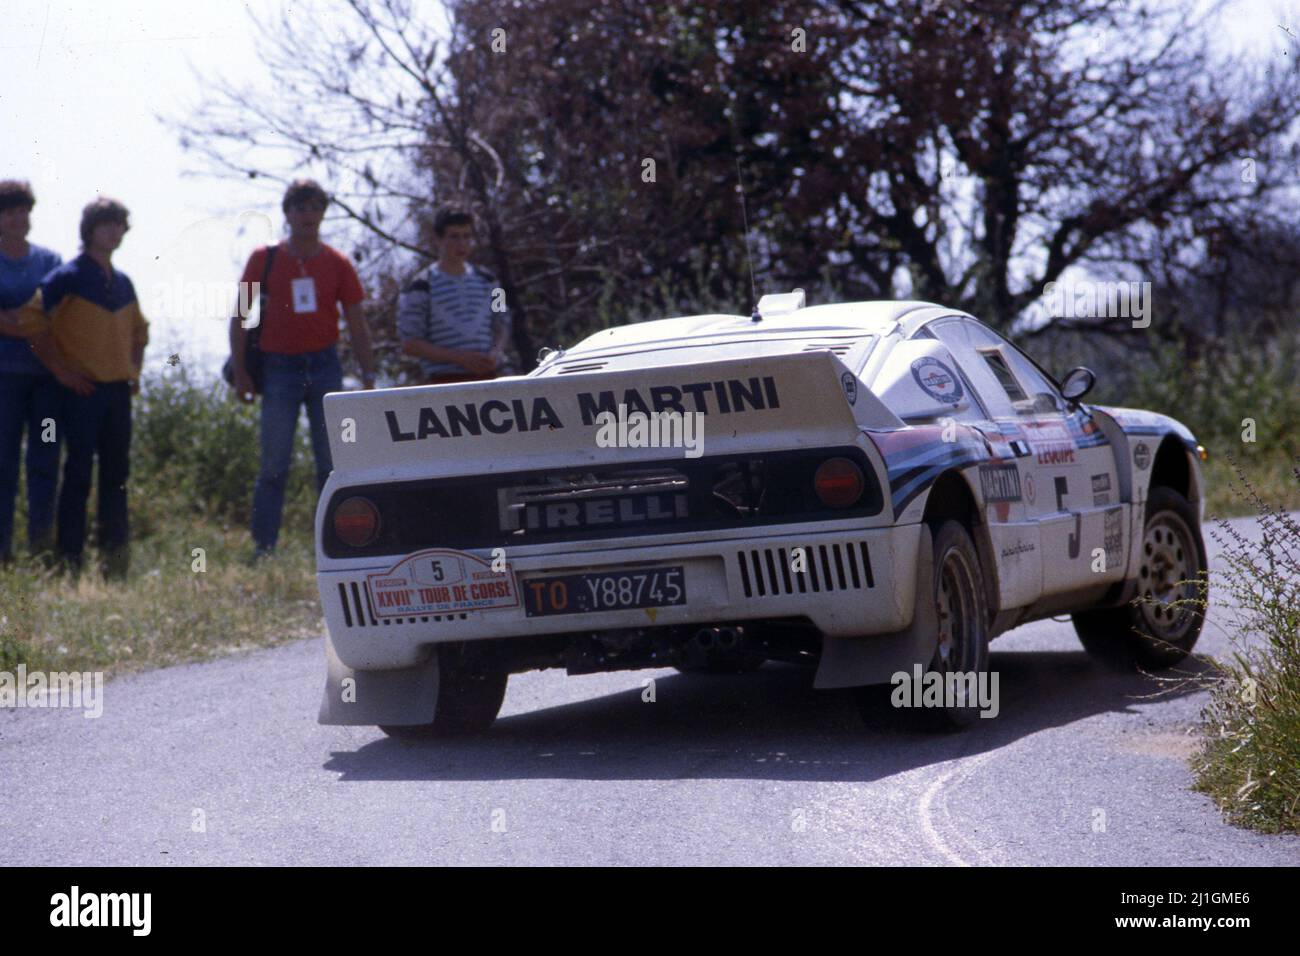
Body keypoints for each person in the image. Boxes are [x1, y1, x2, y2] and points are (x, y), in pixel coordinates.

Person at [228, 178, 376, 559]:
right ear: (287, 213)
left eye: (314, 207)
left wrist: (369, 377)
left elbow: (358, 324)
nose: (307, 215)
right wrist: (243, 374)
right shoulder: (265, 257)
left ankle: (336, 545)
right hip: (279, 369)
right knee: (274, 463)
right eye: (300, 207)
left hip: (326, 366)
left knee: (331, 464)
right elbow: (239, 316)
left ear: (323, 213)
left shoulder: (338, 263)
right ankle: (264, 549)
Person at [22, 197, 146, 579]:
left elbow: (141, 332)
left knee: (117, 475)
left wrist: (134, 372)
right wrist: (61, 371)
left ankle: (114, 559)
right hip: (82, 391)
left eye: (119, 225)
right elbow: (33, 319)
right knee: (77, 473)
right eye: (105, 224)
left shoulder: (122, 281)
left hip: (116, 393)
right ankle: (69, 560)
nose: (113, 231)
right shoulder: (69, 276)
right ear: (89, 230)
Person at [0, 180, 64, 563]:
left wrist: (14, 319)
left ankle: (41, 550)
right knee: (2, 463)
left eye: (24, 211)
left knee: (45, 458)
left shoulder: (49, 262)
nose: (18, 218)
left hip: (46, 383)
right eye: (10, 211)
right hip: (3, 381)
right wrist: (28, 321)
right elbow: (32, 319)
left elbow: (54, 315)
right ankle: (2, 553)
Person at [396, 205, 512, 385]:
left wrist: (495, 353)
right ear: (439, 240)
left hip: (488, 378)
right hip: (443, 382)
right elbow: (410, 343)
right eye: (454, 237)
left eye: (467, 236)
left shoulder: (490, 280)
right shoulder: (419, 286)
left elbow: (503, 321)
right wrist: (458, 358)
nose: (462, 244)